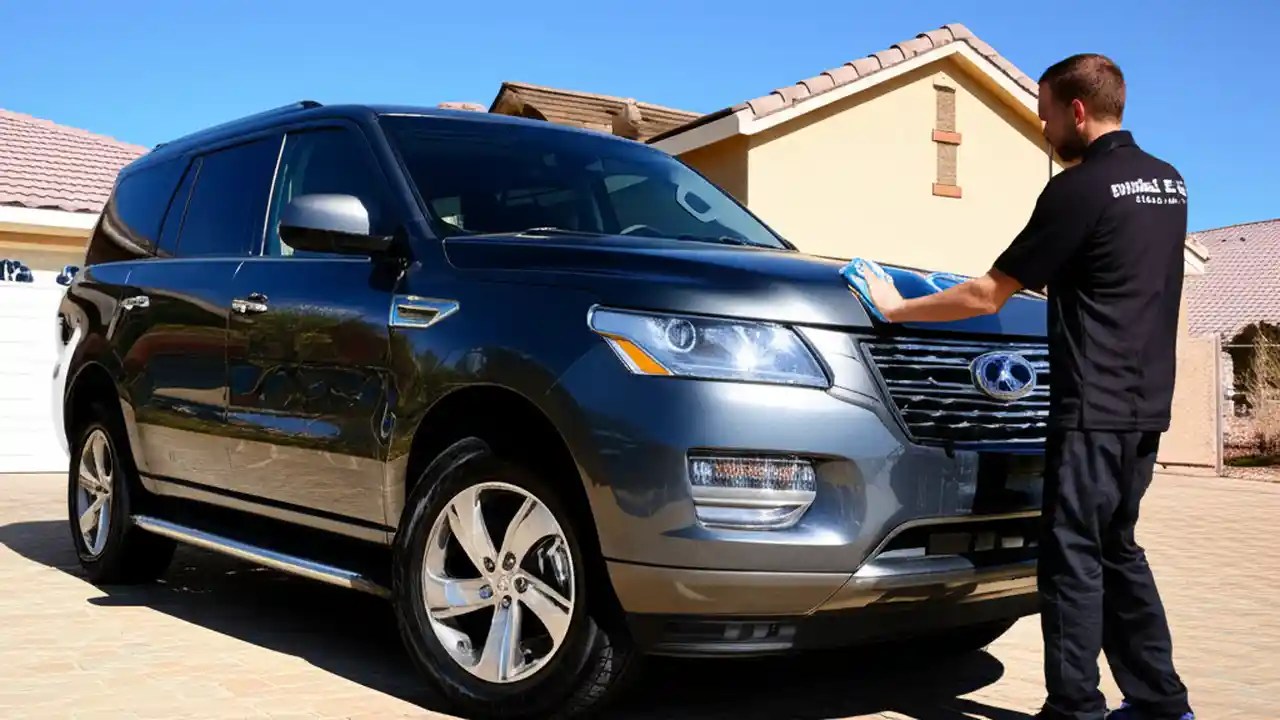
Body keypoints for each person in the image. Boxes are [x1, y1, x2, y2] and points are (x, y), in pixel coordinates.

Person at [860, 53, 1194, 720]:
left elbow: (989, 293)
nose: (1042, 126)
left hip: (1091, 404)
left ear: (1076, 110)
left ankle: (1074, 708)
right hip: (1145, 406)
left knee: (1071, 558)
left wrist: (894, 306)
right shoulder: (1168, 182)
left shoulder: (1079, 189)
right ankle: (1162, 704)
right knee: (1117, 547)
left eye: (1044, 112)